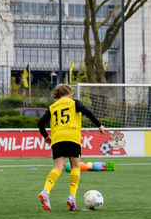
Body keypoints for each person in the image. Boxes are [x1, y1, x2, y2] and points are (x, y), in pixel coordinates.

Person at [36, 83, 105, 212]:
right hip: (72, 137)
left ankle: (45, 192)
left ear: (58, 96)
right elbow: (87, 112)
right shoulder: (74, 103)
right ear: (70, 94)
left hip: (57, 139)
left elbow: (40, 123)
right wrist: (99, 125)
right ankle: (72, 197)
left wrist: (46, 136)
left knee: (57, 168)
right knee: (75, 167)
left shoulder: (52, 107)